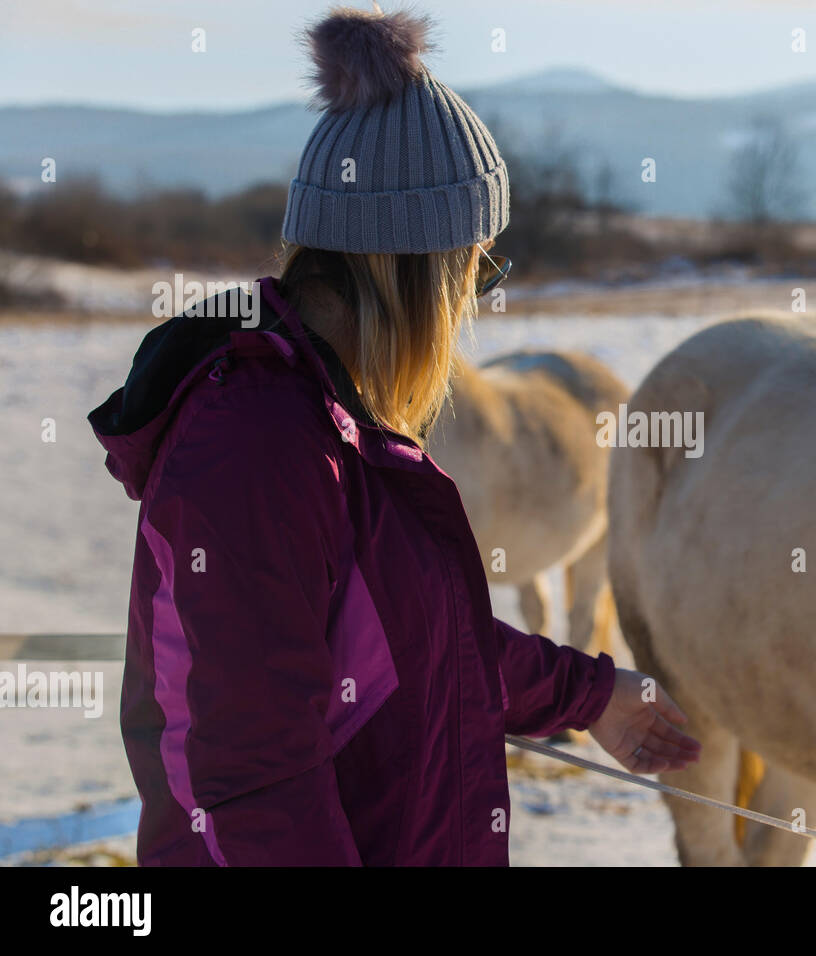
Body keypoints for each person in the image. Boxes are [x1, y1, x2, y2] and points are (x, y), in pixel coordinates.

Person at [87, 6, 699, 866]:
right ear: (417, 270)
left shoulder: (337, 426)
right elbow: (253, 784)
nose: (472, 305)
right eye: (476, 270)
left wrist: (592, 694)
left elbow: (422, 642)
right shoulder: (258, 444)